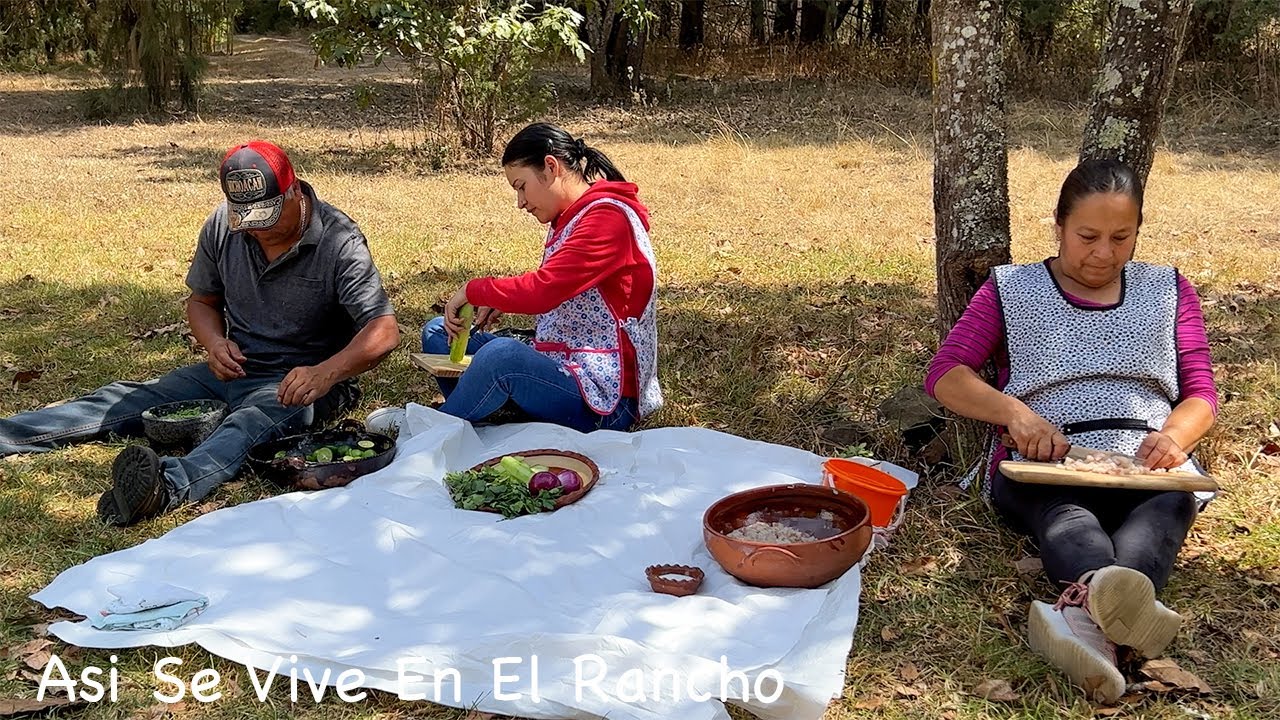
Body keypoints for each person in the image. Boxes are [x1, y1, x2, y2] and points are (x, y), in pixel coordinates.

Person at [925, 159, 1218, 703]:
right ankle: (1117, 613)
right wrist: (1016, 414)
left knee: (1165, 509)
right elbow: (947, 376)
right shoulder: (1013, 289)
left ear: (1137, 233)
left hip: (1146, 462)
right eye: (1087, 236)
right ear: (1058, 226)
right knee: (1066, 515)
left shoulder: (1169, 289)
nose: (1103, 253)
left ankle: (1082, 624)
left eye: (1120, 237)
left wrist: (1175, 438)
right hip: (1046, 459)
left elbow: (1201, 392)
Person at [0, 140, 400, 526]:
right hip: (233, 368)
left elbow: (383, 330)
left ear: (294, 190)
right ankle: (9, 435)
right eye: (246, 218)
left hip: (300, 383)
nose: (256, 229)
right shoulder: (222, 226)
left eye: (267, 216)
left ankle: (167, 486)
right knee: (126, 398)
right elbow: (202, 301)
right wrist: (214, 344)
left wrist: (325, 373)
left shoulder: (339, 240)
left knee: (251, 424)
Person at [419, 122, 662, 433]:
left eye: (521, 186)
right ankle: (480, 416)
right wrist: (497, 298)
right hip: (564, 362)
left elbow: (543, 291)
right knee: (440, 332)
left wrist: (475, 290)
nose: (520, 202)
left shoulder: (608, 219)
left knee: (501, 357)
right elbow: (560, 285)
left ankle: (432, 432)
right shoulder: (570, 216)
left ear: (550, 167)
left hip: (605, 400)